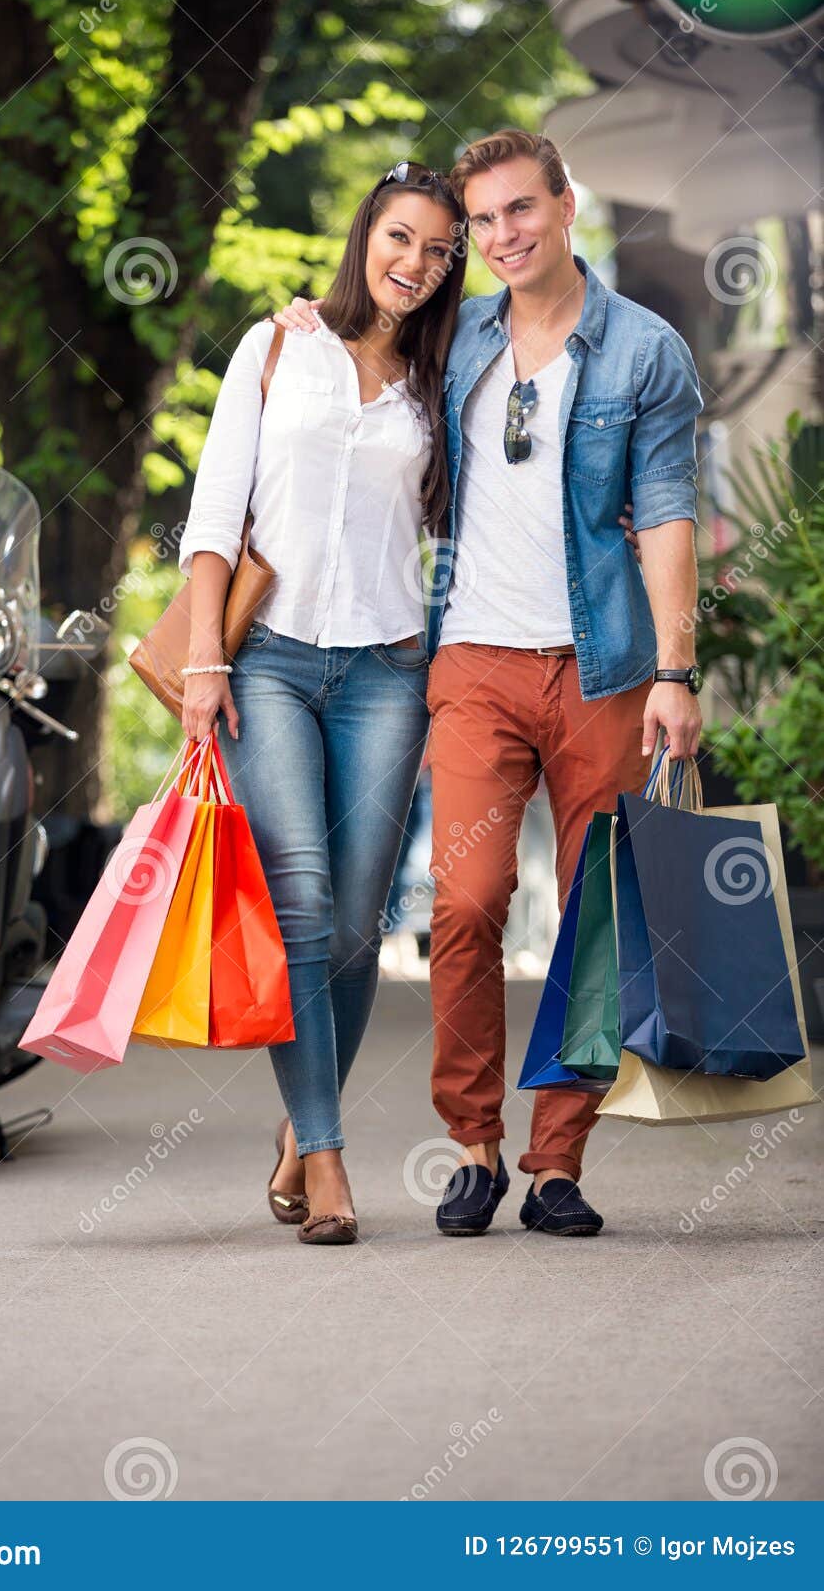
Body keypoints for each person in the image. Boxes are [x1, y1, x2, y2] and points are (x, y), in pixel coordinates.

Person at [272, 128, 703, 1239]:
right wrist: (301, 326)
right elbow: (359, 349)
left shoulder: (643, 351)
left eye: (521, 208)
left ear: (564, 205)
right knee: (462, 901)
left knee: (595, 918)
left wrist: (673, 668)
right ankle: (472, 1143)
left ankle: (556, 1160)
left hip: (604, 671)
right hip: (470, 662)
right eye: (483, 221)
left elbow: (665, 509)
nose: (503, 234)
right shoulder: (454, 336)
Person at [177, 161, 468, 1244]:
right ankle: (332, 1159)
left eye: (437, 251)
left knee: (354, 927)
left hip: (387, 672)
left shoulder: (438, 384)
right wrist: (202, 663)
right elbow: (215, 513)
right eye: (399, 237)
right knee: (298, 900)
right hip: (269, 665)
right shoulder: (276, 347)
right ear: (364, 236)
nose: (414, 263)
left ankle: (300, 1131)